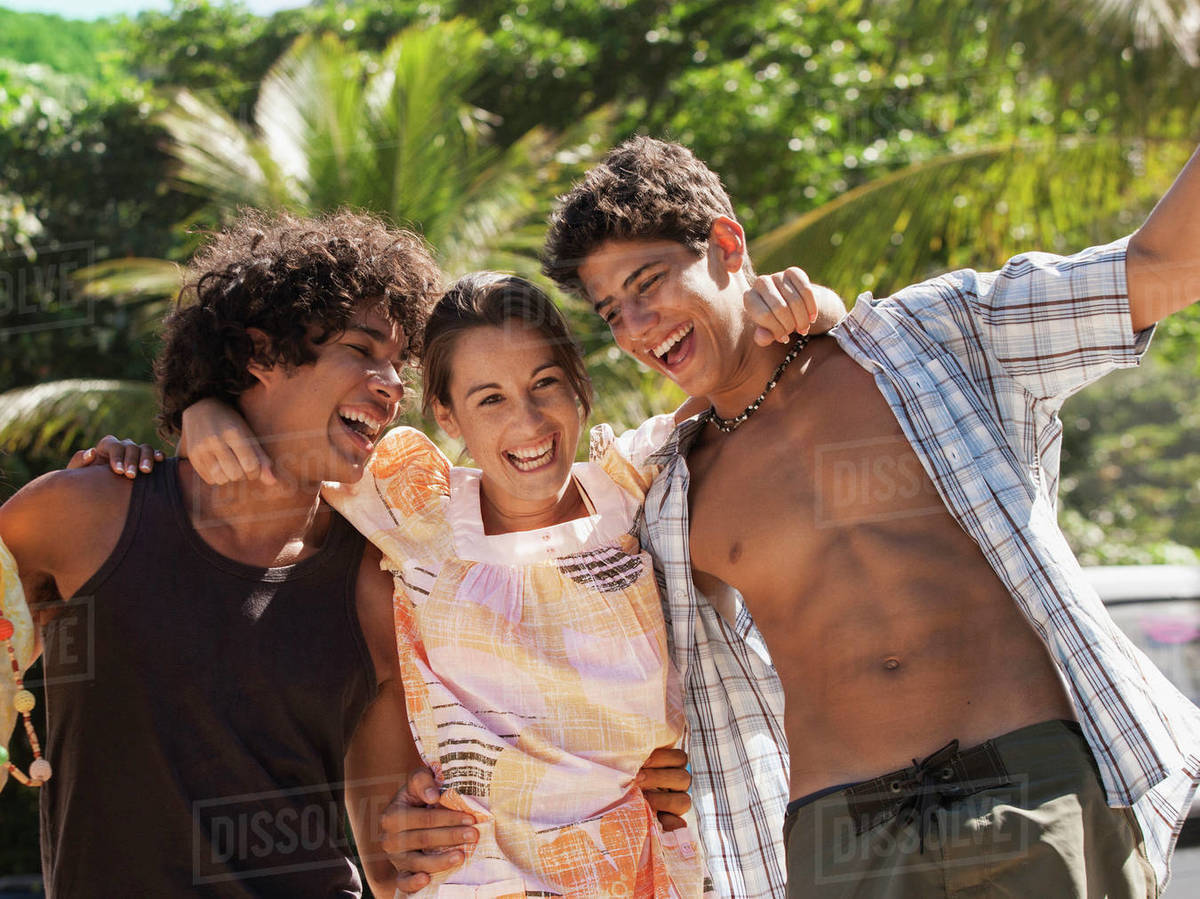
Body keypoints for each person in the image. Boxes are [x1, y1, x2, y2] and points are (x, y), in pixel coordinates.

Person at [537, 136, 1200, 898]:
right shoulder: (668, 493)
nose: (636, 326)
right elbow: (586, 654)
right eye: (611, 311)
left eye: (648, 283)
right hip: (841, 839)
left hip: (1030, 783)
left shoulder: (932, 339)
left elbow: (1153, 272)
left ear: (726, 244)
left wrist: (831, 312)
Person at [0, 208, 444, 896]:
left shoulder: (373, 577)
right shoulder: (83, 516)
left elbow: (391, 866)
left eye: (397, 365)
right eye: (361, 350)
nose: (391, 386)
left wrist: (423, 836)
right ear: (259, 355)